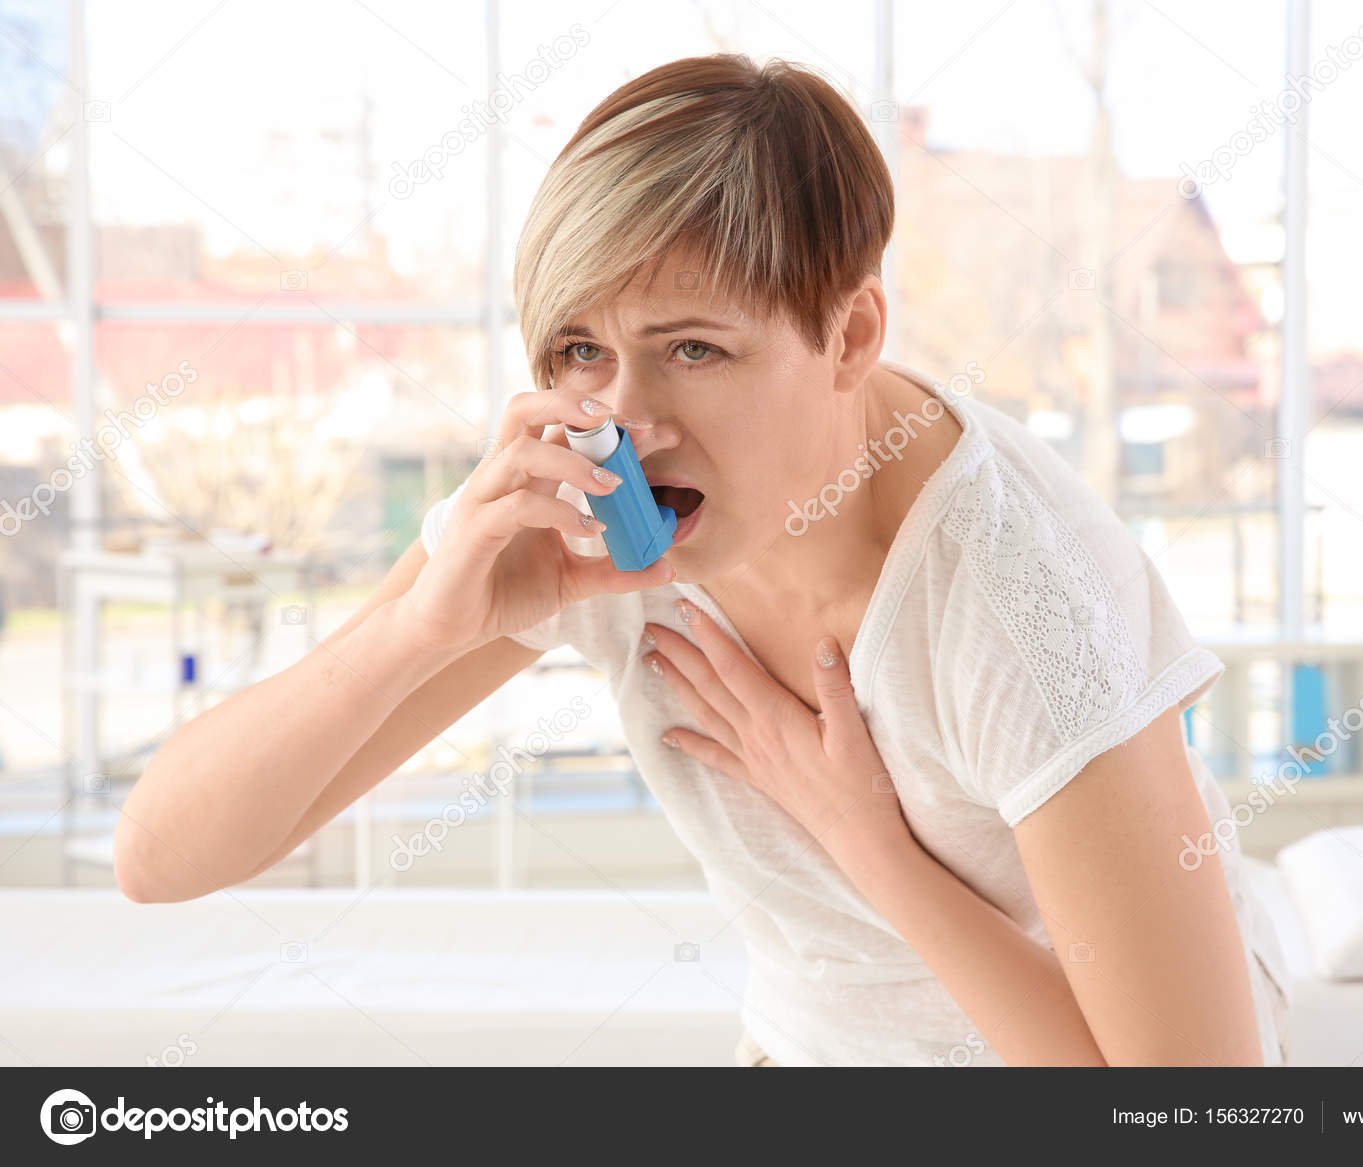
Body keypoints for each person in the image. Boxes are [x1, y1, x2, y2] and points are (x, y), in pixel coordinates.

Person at [116, 53, 1289, 1067]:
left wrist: (863, 842)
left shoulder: (1017, 602)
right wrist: (423, 625)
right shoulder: (580, 515)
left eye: (693, 347)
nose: (627, 417)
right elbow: (162, 860)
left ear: (850, 333)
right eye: (580, 348)